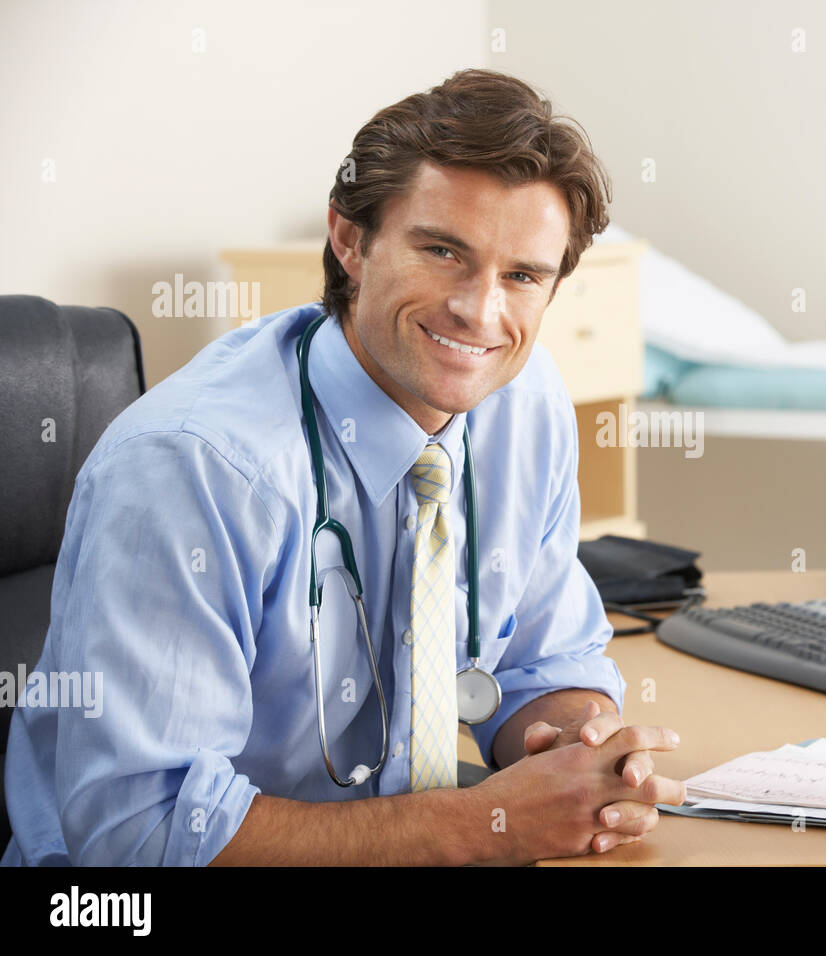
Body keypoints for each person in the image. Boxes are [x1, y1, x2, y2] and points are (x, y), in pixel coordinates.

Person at [2, 68, 685, 866]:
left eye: (523, 276)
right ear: (350, 239)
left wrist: (578, 745)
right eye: (443, 251)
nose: (480, 311)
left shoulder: (523, 406)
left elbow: (545, 657)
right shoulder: (193, 469)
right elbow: (144, 833)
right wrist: (475, 828)